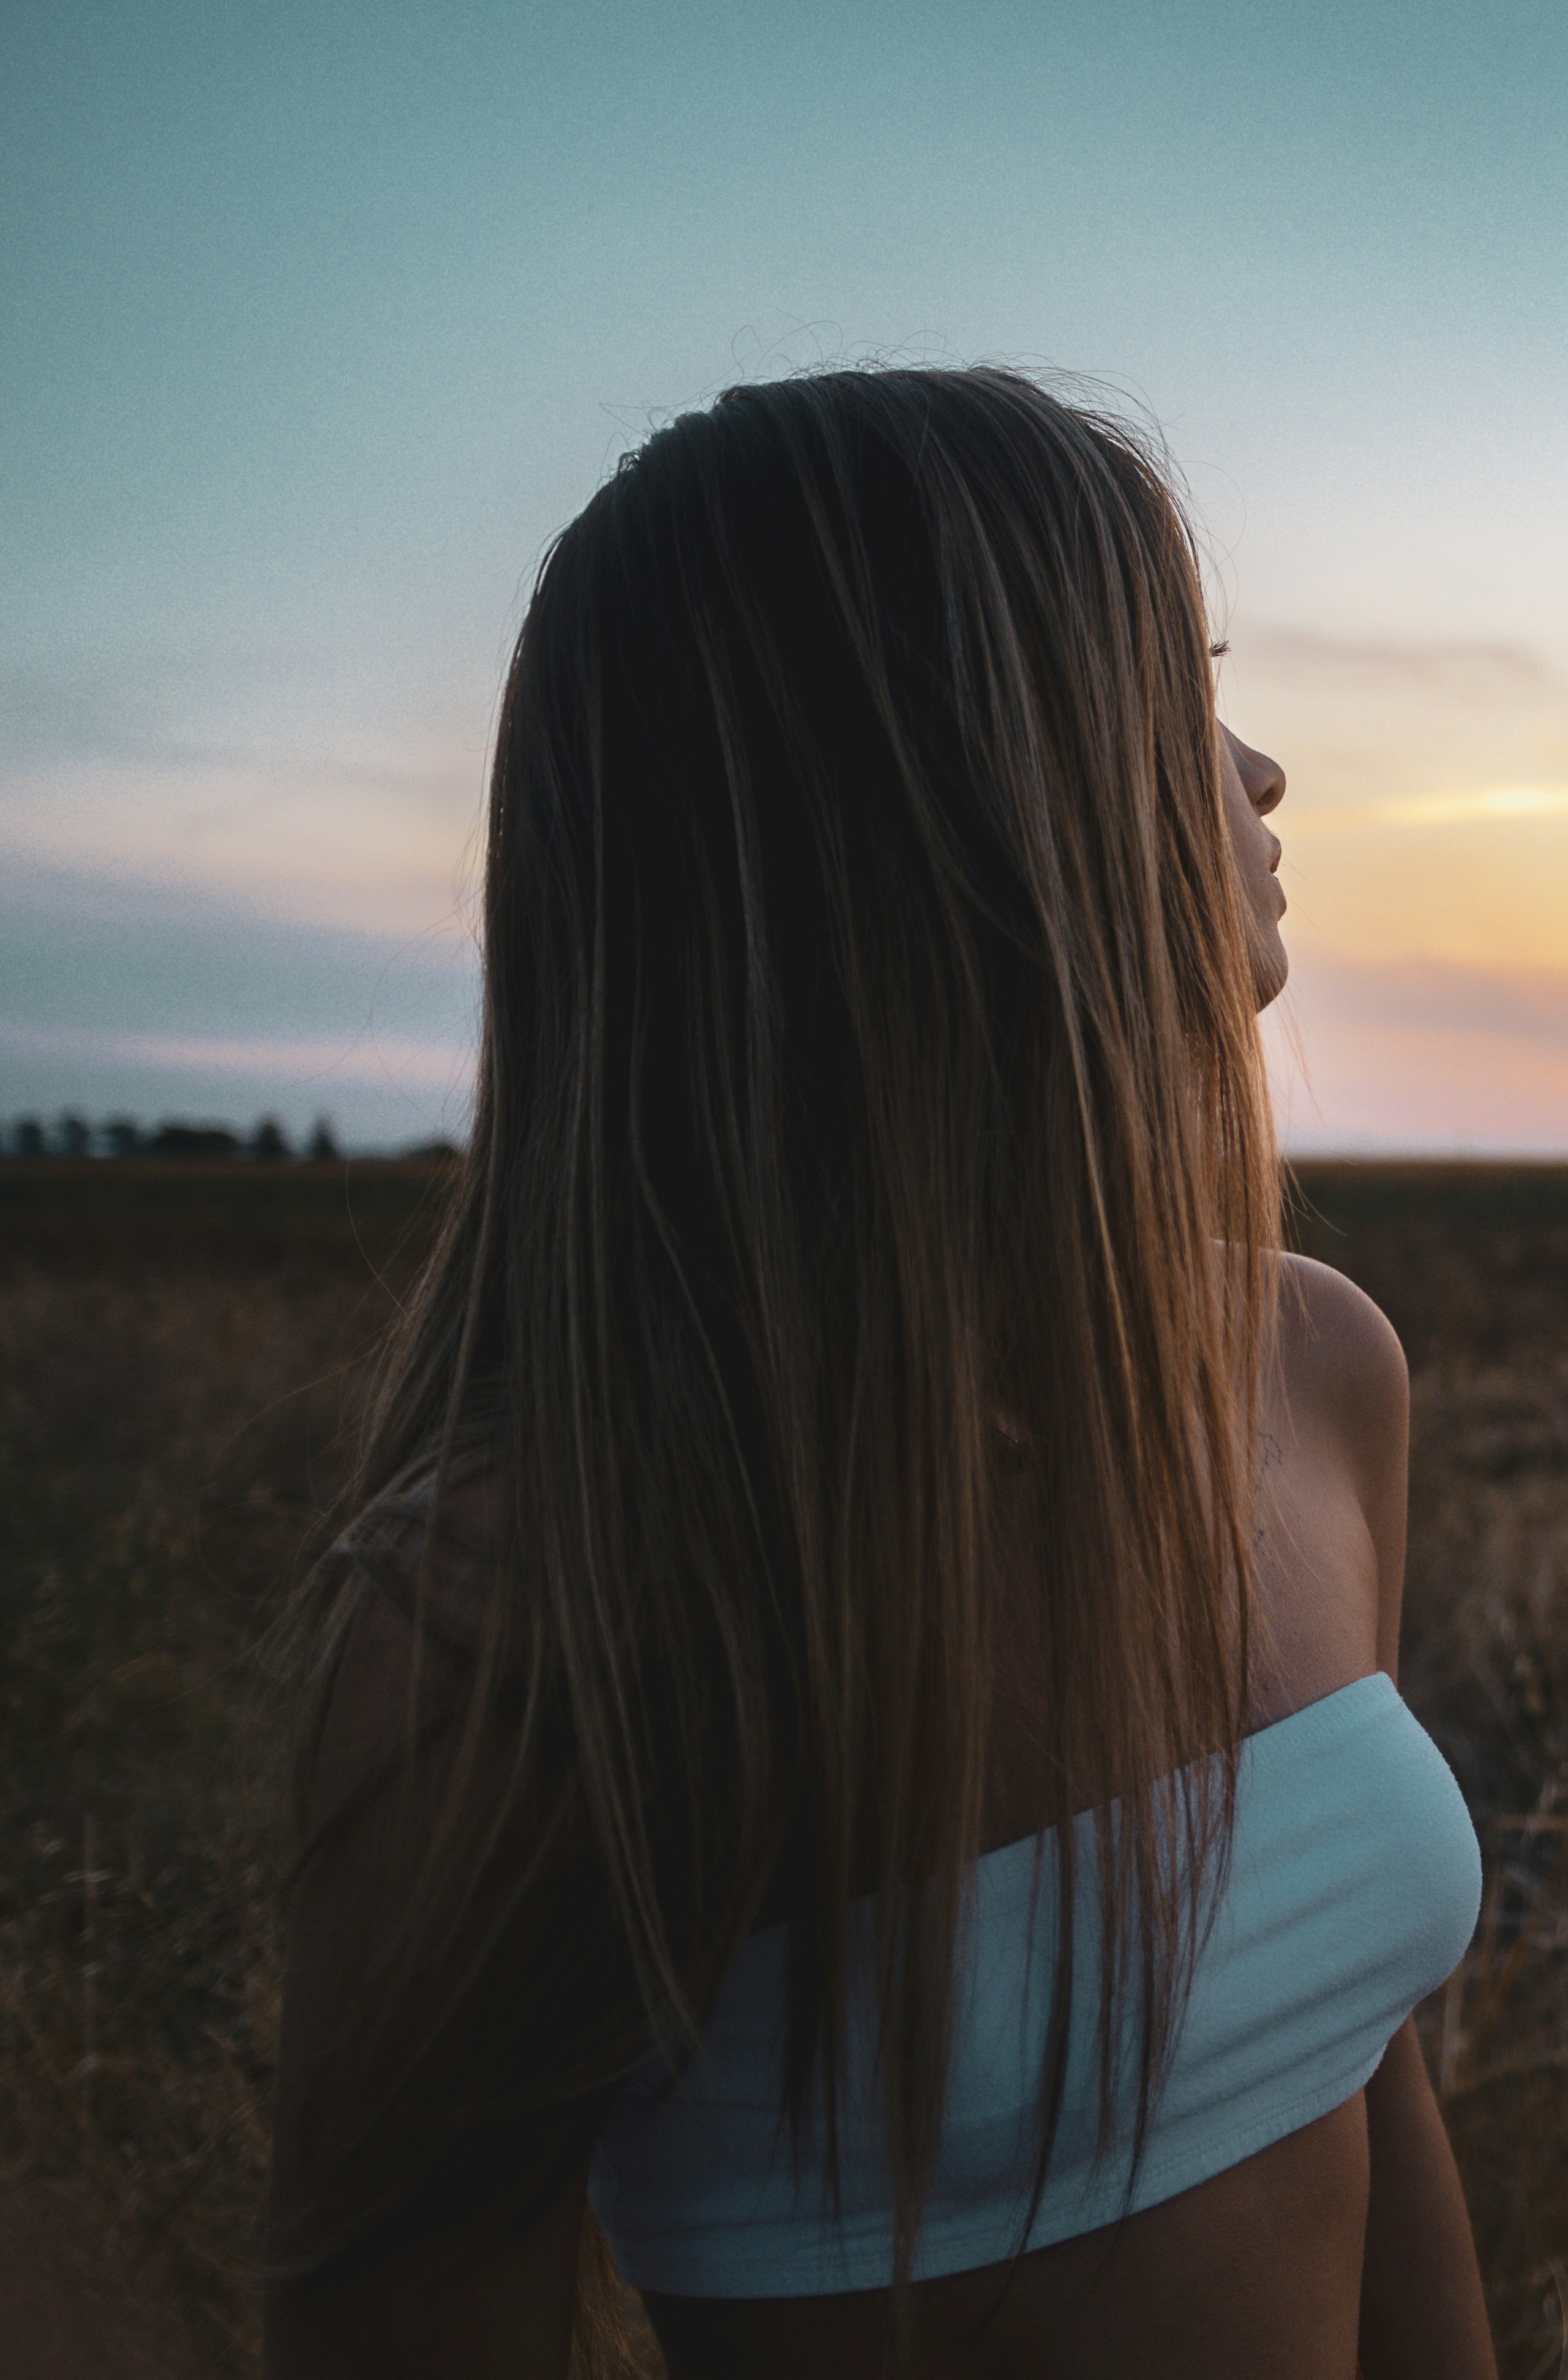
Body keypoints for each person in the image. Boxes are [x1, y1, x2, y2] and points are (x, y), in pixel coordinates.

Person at [263, 365, 1496, 2379]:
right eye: (1167, 687)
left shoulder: (1309, 1370)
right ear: (947, 789)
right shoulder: (512, 1618)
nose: (1256, 771)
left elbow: (1367, 2073)